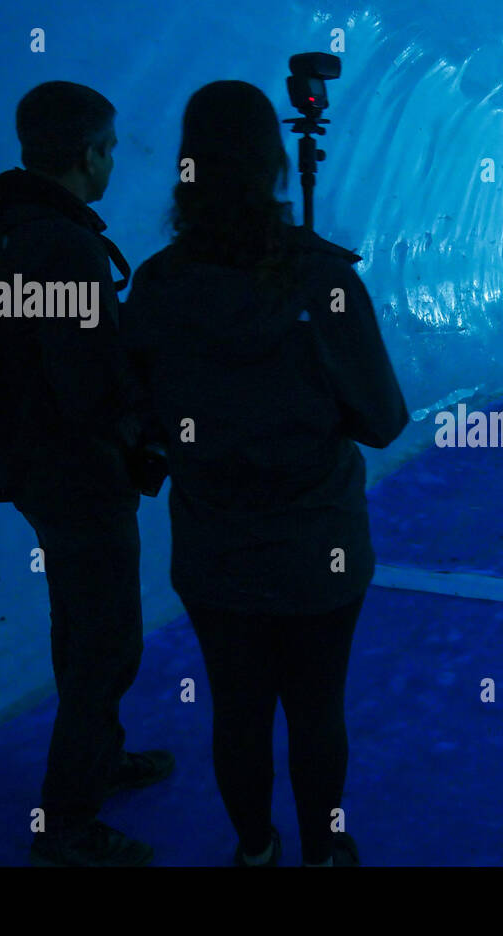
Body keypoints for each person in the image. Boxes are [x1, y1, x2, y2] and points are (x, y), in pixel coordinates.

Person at [120, 81, 409, 867]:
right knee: (317, 709)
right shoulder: (324, 281)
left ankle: (255, 850)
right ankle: (323, 852)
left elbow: (135, 412)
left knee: (236, 711)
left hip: (214, 546)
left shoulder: (156, 285)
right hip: (320, 546)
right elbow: (383, 419)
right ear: (276, 166)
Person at [0, 81, 174, 867]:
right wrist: (147, 435)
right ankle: (66, 826)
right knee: (105, 645)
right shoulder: (62, 245)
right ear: (87, 153)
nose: (112, 163)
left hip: (35, 469)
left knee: (84, 631)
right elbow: (89, 381)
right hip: (76, 478)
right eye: (109, 147)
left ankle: (101, 757)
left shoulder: (10, 228)